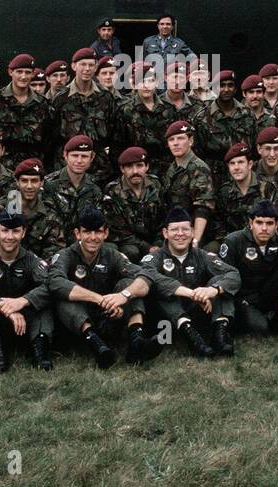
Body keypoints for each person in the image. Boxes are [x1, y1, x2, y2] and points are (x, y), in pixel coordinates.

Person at [46, 206, 161, 367]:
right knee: (63, 298)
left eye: (98, 232)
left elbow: (146, 276)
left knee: (128, 284)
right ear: (78, 233)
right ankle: (97, 347)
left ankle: (137, 341)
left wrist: (123, 296)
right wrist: (100, 299)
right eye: (87, 232)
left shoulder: (112, 254)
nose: (93, 237)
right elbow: (55, 282)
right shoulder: (66, 255)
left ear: (105, 233)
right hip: (79, 321)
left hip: (109, 317)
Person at [142, 207, 240, 358]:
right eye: (174, 229)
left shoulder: (202, 255)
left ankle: (220, 336)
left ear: (193, 232)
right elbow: (149, 275)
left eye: (185, 229)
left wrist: (211, 290)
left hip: (196, 315)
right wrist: (192, 293)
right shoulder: (155, 258)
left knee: (219, 281)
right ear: (165, 233)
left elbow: (233, 274)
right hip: (164, 323)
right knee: (160, 289)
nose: (180, 234)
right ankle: (192, 339)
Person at [0, 210, 55, 371]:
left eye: (15, 231)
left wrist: (23, 301)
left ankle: (41, 352)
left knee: (44, 307)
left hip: (25, 321)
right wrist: (2, 305)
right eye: (5, 230)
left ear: (23, 233)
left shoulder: (32, 260)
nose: (9, 236)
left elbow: (49, 286)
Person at [217, 199, 278, 335]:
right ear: (251, 223)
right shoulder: (233, 241)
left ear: (276, 225)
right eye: (259, 222)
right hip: (244, 297)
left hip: (268, 292)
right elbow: (225, 277)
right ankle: (262, 320)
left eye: (269, 223)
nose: (264, 228)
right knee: (260, 329)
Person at [50, 48, 118, 182]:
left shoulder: (105, 97)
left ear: (96, 67)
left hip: (99, 168)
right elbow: (52, 136)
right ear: (74, 66)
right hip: (68, 166)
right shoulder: (61, 98)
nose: (87, 69)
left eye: (91, 65)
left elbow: (113, 133)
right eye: (83, 64)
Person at [0, 158, 67, 261]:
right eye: (24, 181)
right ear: (17, 182)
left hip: (37, 271)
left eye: (34, 181)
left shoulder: (51, 215)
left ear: (42, 183)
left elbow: (54, 257)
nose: (29, 186)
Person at [0, 53, 51, 165]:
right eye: (19, 72)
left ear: (33, 74)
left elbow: (49, 138)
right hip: (3, 166)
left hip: (33, 166)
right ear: (10, 72)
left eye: (28, 72)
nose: (23, 77)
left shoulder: (43, 103)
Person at [211, 142, 278, 242]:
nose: (236, 167)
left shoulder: (269, 189)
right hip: (233, 243)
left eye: (240, 162)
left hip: (265, 242)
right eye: (232, 163)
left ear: (250, 164)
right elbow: (219, 224)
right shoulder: (224, 192)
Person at [102, 146, 166, 261]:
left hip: (154, 238)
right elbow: (117, 231)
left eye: (139, 165)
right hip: (128, 241)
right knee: (132, 252)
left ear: (147, 166)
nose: (135, 171)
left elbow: (163, 217)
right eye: (129, 166)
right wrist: (147, 247)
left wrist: (158, 242)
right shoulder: (113, 191)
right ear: (122, 169)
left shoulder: (156, 184)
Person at [160, 119, 214, 245]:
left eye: (180, 138)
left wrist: (195, 241)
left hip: (192, 232)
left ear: (190, 141)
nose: (175, 143)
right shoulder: (172, 168)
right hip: (175, 231)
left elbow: (203, 207)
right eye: (171, 140)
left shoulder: (198, 167)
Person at [193, 70, 256, 176]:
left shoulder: (248, 114)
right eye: (221, 86)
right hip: (214, 174)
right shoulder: (202, 117)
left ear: (235, 89)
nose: (226, 90)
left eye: (230, 85)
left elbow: (254, 148)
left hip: (243, 172)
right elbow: (198, 153)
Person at [43, 135, 103, 238]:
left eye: (84, 156)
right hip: (53, 242)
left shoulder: (94, 189)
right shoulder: (48, 184)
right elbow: (48, 224)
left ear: (92, 158)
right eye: (75, 155)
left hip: (83, 244)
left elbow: (95, 225)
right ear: (65, 155)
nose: (79, 161)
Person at [115, 61, 169, 171]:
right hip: (135, 168)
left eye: (150, 81)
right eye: (142, 81)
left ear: (157, 82)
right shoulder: (125, 110)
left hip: (164, 168)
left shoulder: (168, 109)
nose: (146, 85)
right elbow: (118, 146)